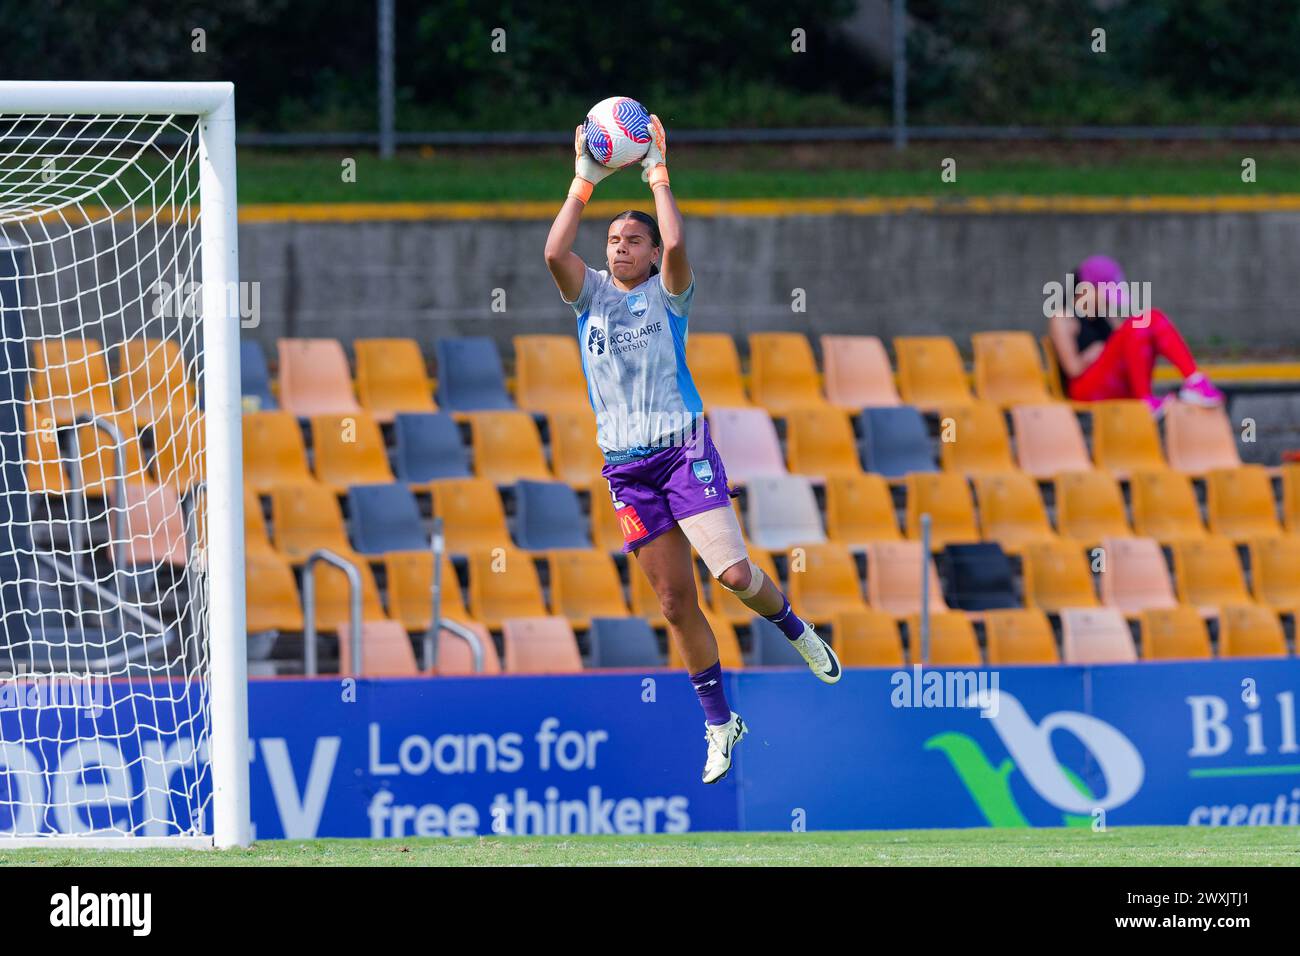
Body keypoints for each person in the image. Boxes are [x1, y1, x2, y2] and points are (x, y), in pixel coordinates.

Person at [543, 113, 840, 785]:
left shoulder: (668, 294)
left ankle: (793, 628)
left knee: (732, 577)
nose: (620, 248)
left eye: (632, 240)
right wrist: (584, 180)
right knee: (676, 603)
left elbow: (677, 241)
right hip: (626, 469)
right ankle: (718, 721)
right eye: (613, 239)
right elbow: (551, 255)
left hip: (682, 452)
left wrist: (658, 171)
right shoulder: (587, 296)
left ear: (650, 254)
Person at [1048, 254, 1223, 415]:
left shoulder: (1105, 314)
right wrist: (1094, 353)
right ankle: (1145, 399)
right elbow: (1072, 369)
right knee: (1137, 324)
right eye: (1106, 294)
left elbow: (1131, 344)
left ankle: (1193, 379)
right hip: (1084, 390)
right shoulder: (1063, 318)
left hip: (1115, 385)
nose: (1109, 301)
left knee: (1152, 318)